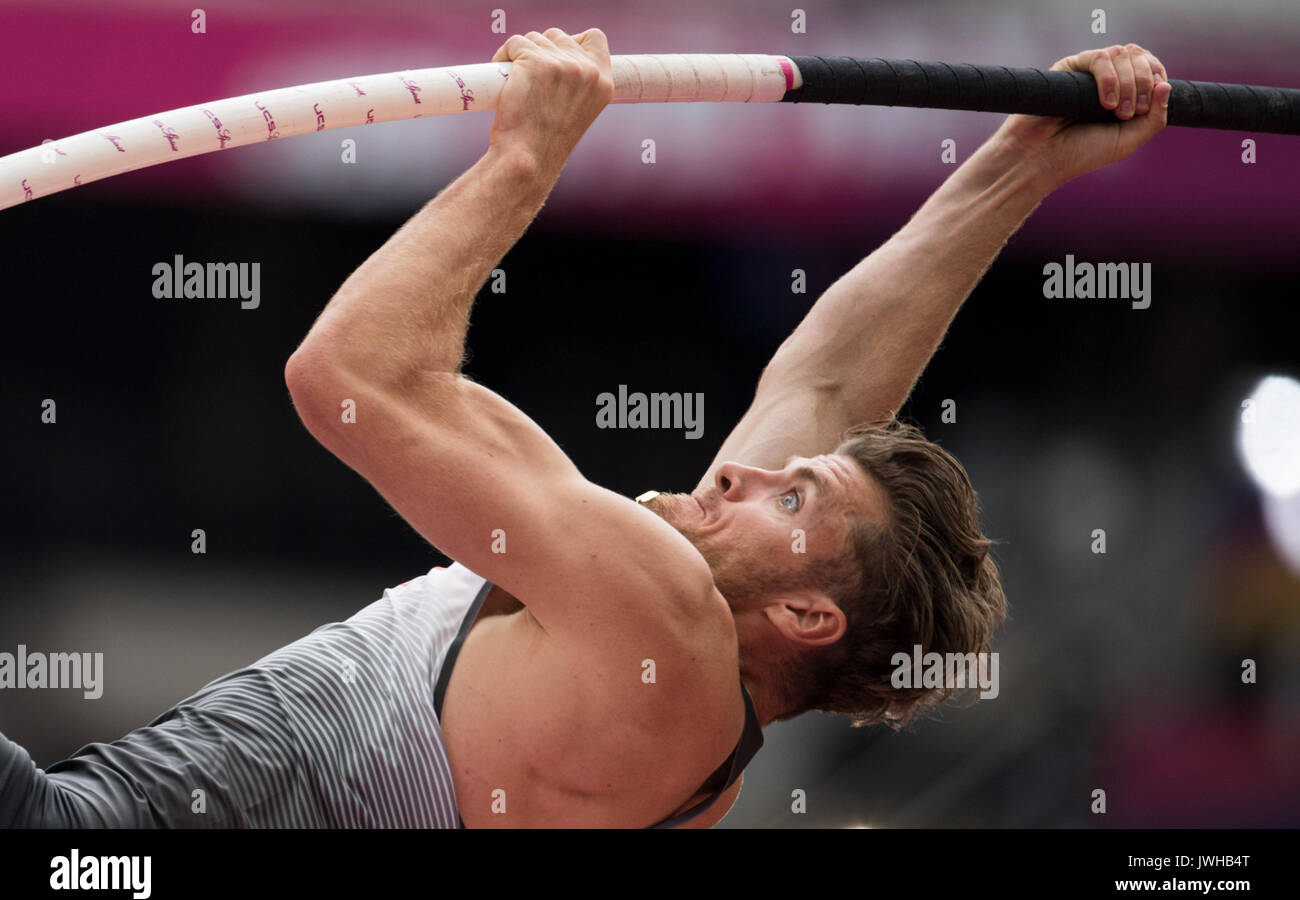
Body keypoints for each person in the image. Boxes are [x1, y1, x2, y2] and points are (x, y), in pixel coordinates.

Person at [0, 28, 1171, 829]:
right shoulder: (700, 710)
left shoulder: (658, 615)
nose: (744, 469)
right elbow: (828, 382)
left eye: (792, 498)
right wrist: (1022, 163)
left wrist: (526, 156)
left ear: (809, 612)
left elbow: (345, 376)